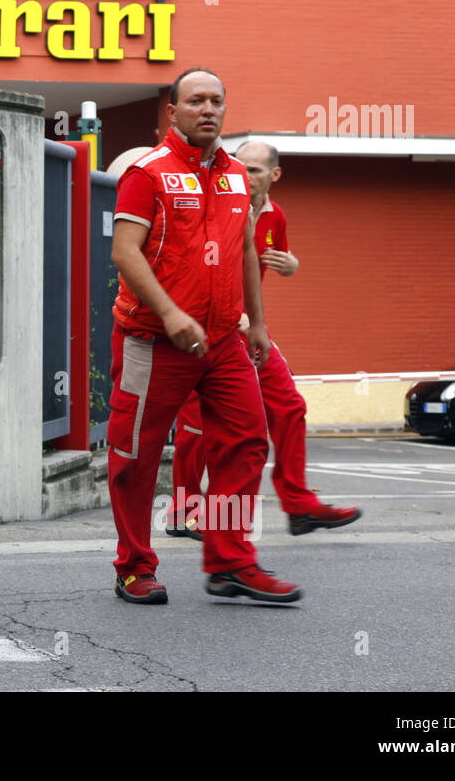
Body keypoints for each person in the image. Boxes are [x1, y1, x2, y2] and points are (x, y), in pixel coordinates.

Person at [108, 68, 302, 605]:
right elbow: (125, 252)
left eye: (217, 100)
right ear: (173, 112)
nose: (209, 109)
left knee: (245, 441)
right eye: (196, 101)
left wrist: (257, 323)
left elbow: (244, 251)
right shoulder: (147, 172)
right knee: (136, 457)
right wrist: (170, 314)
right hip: (153, 339)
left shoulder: (238, 175)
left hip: (222, 343)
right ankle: (133, 567)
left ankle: (230, 561)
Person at [167, 141, 361, 538]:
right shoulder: (213, 205)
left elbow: (274, 260)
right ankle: (184, 513)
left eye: (256, 170)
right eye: (242, 166)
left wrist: (292, 265)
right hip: (202, 330)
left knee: (289, 406)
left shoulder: (275, 216)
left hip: (247, 332)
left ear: (274, 175)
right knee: (196, 427)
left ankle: (299, 505)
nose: (247, 175)